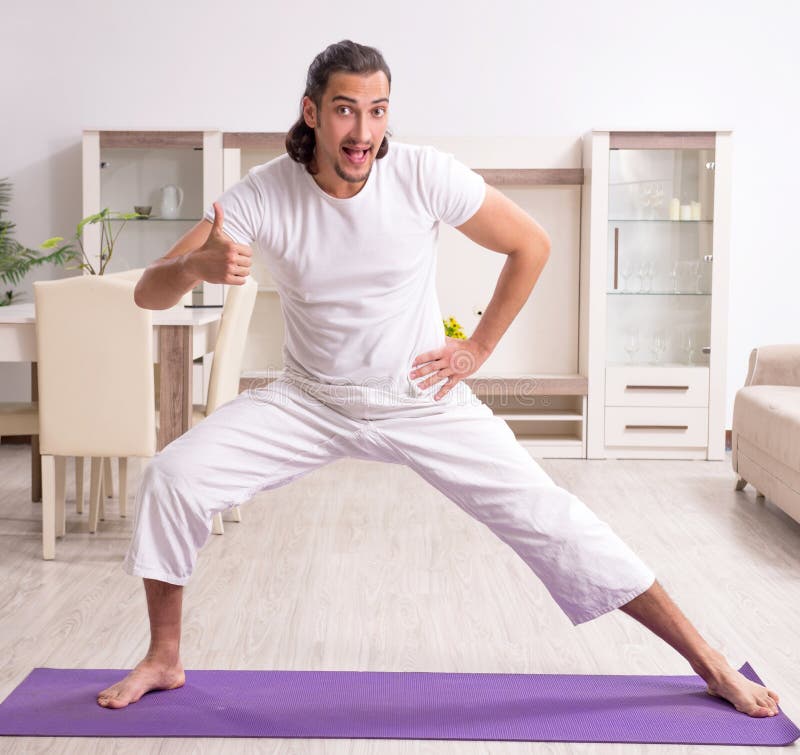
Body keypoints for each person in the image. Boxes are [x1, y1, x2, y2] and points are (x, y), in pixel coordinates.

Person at [97, 40, 780, 718]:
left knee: (554, 518)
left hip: (419, 399)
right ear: (311, 112)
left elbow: (531, 244)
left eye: (377, 111)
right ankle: (164, 656)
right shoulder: (261, 193)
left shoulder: (423, 174)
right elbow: (146, 294)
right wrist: (193, 269)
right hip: (309, 399)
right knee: (174, 475)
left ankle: (709, 661)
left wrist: (477, 347)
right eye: (344, 110)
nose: (362, 131)